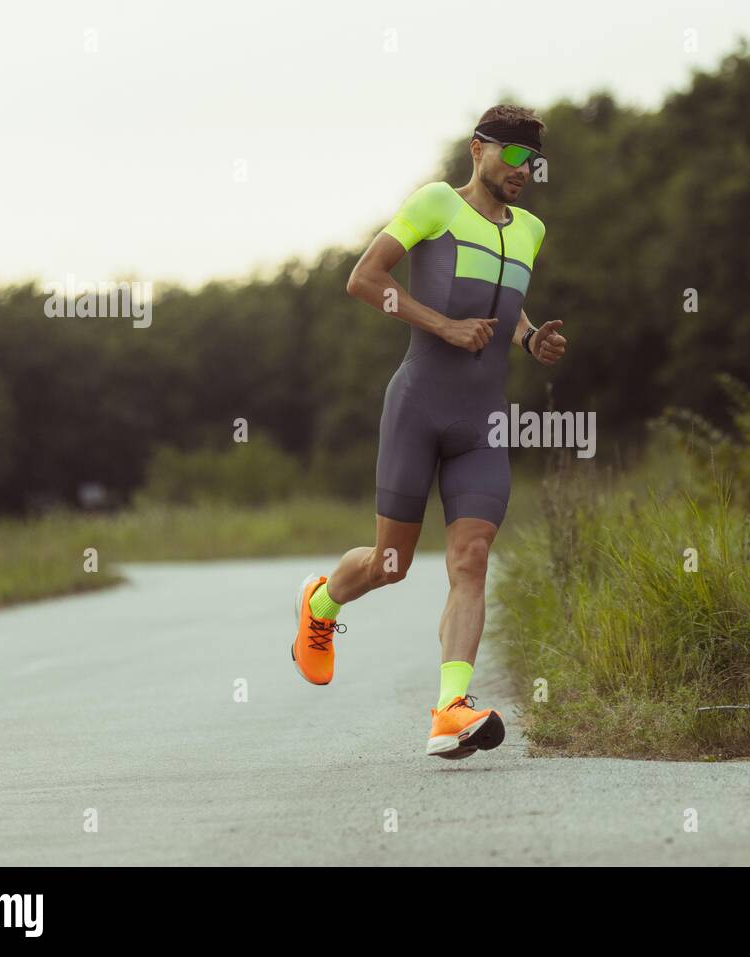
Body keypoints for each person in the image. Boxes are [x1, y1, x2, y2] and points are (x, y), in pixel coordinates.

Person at [290, 104, 566, 760]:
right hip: (418, 405)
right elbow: (364, 279)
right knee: (392, 564)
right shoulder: (437, 203)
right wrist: (441, 325)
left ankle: (449, 708)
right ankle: (322, 603)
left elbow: (503, 296)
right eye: (516, 156)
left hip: (481, 422)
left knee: (471, 558)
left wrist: (530, 338)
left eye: (536, 162)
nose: (526, 172)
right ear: (479, 149)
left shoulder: (530, 229)